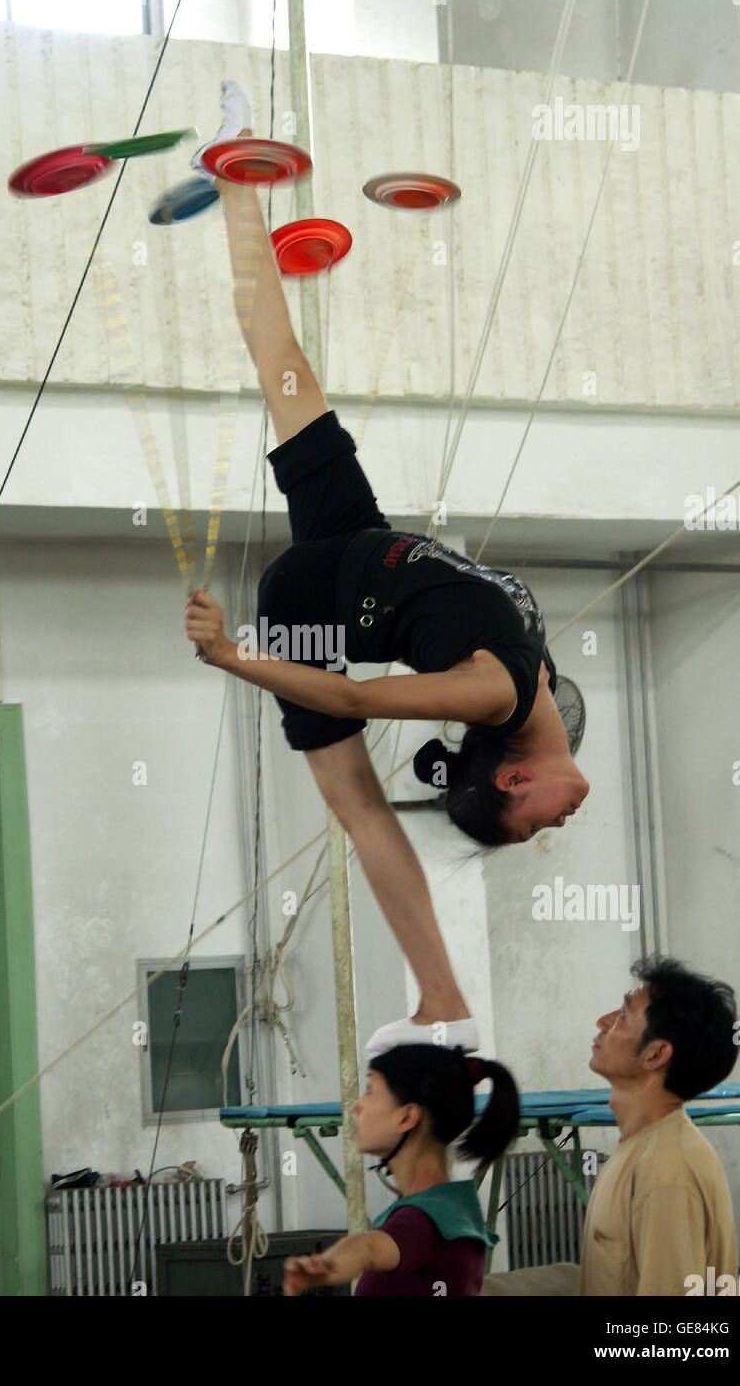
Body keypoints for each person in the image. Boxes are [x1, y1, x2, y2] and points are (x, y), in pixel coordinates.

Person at [183, 82, 588, 1060]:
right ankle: (237, 171)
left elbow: (359, 706)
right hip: (357, 537)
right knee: (279, 358)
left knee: (358, 802)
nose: (551, 829)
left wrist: (237, 658)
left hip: (310, 605)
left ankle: (442, 996)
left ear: (517, 774)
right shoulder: (554, 704)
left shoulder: (494, 693)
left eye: (525, 823)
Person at [482, 955, 740, 1297]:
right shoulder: (641, 1146)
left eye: (622, 1015)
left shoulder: (666, 1170)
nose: (602, 1022)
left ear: (655, 1054)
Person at [283, 1045, 520, 1296]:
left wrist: (327, 1265)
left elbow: (367, 1248)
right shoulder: (451, 1210)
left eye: (370, 1090)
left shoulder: (424, 1221)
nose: (356, 1106)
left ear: (407, 1118)